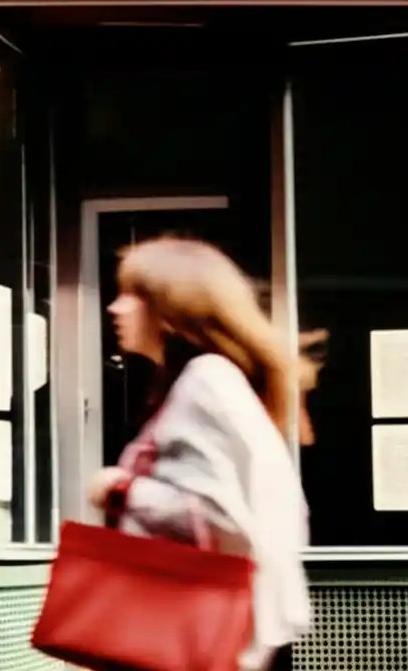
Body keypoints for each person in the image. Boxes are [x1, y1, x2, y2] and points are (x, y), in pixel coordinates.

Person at [85, 236, 311, 671]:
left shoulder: (205, 381)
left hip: (203, 640)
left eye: (134, 294)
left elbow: (219, 517)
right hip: (217, 637)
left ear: (173, 309)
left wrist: (120, 489)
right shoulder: (212, 381)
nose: (116, 308)